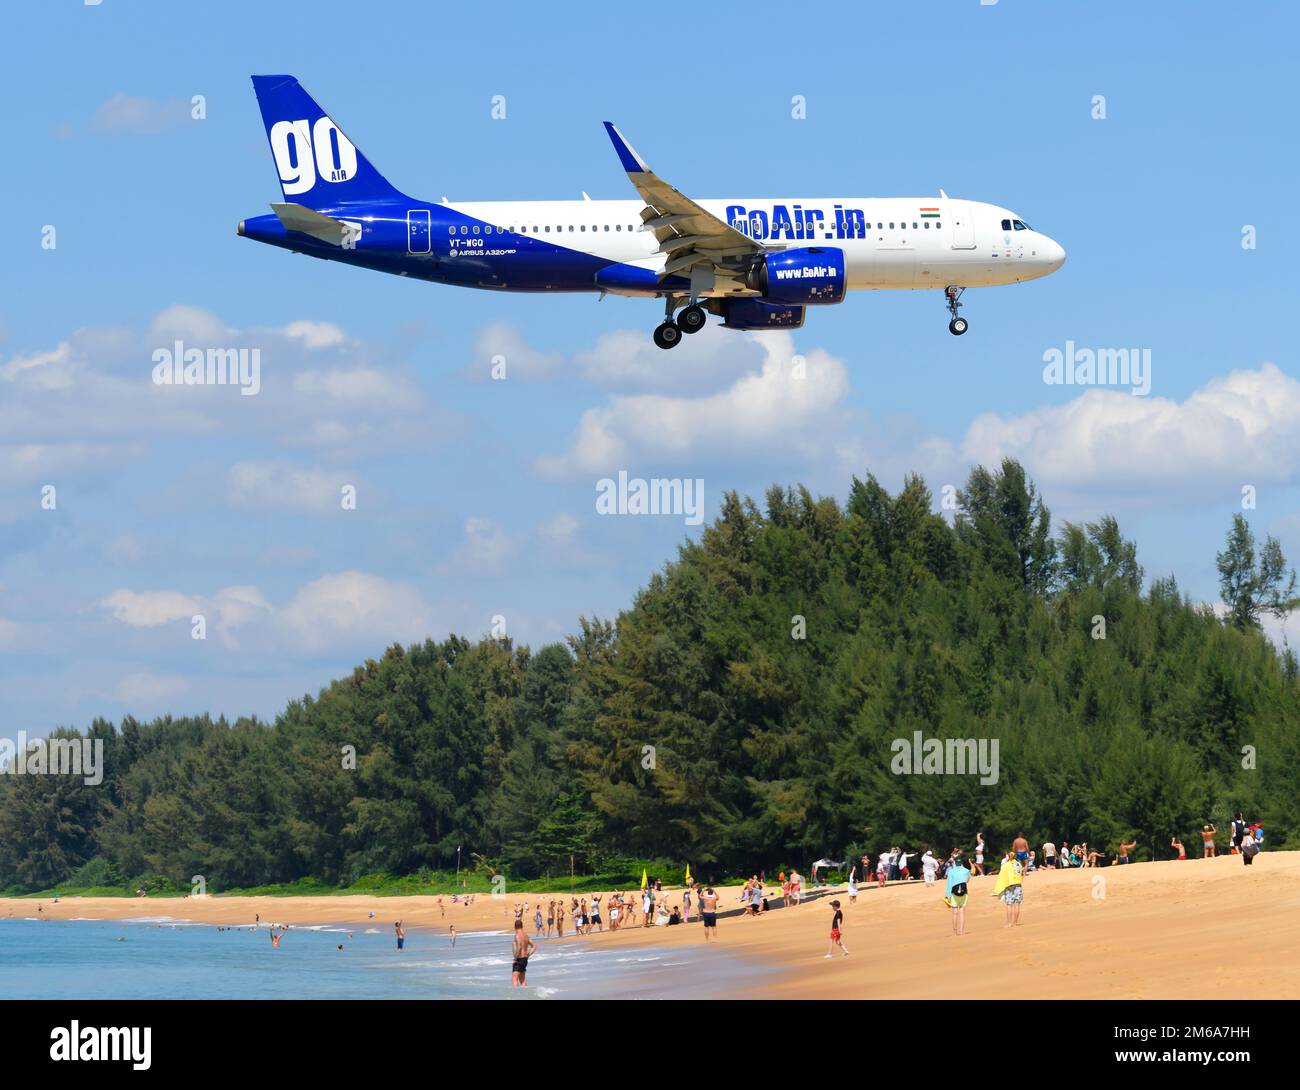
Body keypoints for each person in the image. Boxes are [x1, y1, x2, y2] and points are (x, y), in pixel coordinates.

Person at [993, 852, 1024, 927]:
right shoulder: (1018, 864)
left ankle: (1009, 923)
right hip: (1018, 884)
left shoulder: (1006, 865)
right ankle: (1015, 922)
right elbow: (1021, 874)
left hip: (1009, 885)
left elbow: (1002, 876)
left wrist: (999, 887)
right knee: (1017, 904)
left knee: (1009, 905)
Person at [945, 852, 971, 936]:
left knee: (954, 913)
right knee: (962, 912)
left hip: (954, 894)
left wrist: (947, 896)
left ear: (955, 863)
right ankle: (962, 931)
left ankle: (955, 932)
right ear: (962, 863)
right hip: (964, 893)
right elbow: (967, 880)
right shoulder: (966, 871)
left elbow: (949, 884)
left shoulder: (951, 871)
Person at [511, 919, 536, 988]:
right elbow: (534, 946)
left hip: (519, 959)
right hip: (525, 959)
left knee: (514, 978)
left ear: (515, 927)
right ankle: (524, 994)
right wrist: (528, 954)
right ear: (522, 926)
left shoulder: (517, 935)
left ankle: (516, 995)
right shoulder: (526, 936)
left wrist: (515, 959)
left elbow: (518, 946)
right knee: (522, 979)